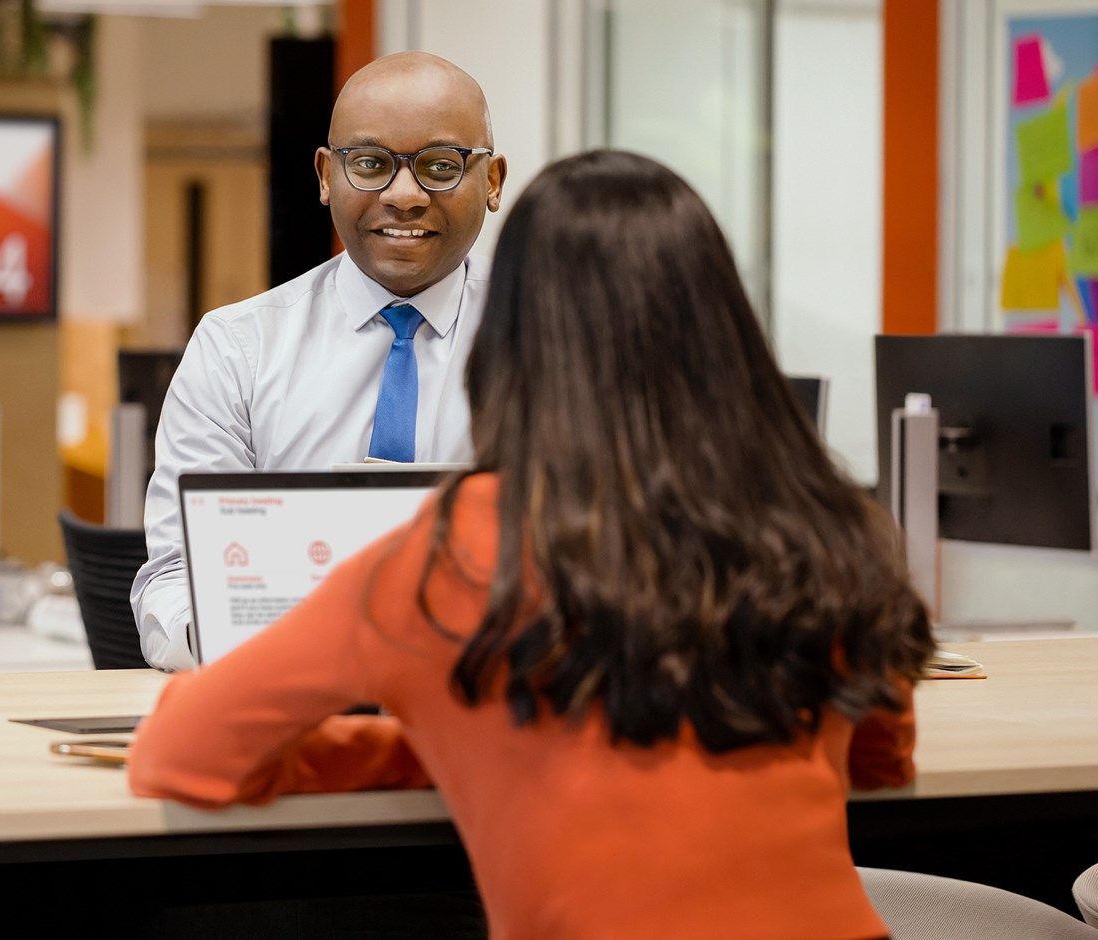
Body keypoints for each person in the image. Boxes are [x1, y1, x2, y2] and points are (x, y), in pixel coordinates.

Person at [128, 150, 936, 939]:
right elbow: (880, 759)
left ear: (510, 338)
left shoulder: (461, 543)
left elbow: (180, 751)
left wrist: (436, 748)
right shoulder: (828, 527)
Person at [131, 51, 507, 670]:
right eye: (370, 164)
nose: (405, 195)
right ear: (326, 175)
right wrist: (245, 644)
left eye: (441, 166)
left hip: (493, 711)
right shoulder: (236, 349)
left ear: (491, 182)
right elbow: (175, 578)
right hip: (287, 709)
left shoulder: (551, 343)